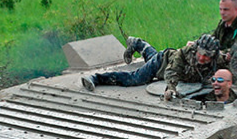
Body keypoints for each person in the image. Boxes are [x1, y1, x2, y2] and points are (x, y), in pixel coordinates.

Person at [82, 34, 224, 101]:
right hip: (162, 63)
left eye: (207, 56)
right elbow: (171, 73)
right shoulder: (182, 54)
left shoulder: (215, 57)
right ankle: (97, 78)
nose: (202, 58)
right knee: (135, 78)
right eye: (201, 54)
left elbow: (228, 59)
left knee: (151, 57)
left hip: (165, 57)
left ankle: (138, 44)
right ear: (196, 49)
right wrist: (171, 90)